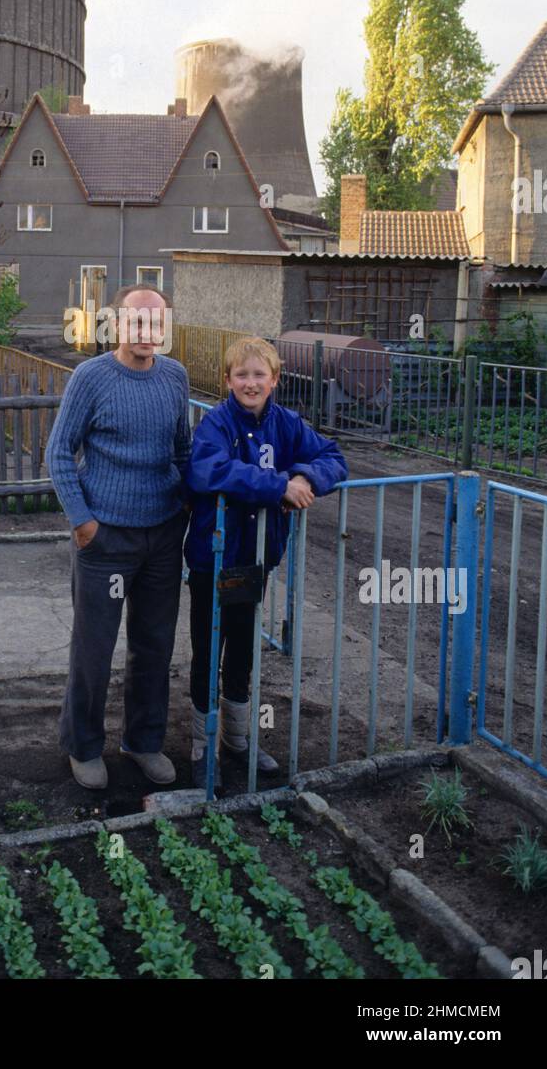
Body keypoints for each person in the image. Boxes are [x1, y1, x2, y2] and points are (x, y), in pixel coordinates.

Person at [183, 336, 348, 789]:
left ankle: (237, 740)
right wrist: (278, 486)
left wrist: (305, 476)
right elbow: (207, 471)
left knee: (243, 649)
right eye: (242, 375)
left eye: (260, 375)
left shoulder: (286, 423)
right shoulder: (215, 425)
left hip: (256, 561)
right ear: (228, 380)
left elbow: (333, 457)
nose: (251, 383)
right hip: (211, 560)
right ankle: (203, 744)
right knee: (206, 650)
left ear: (275, 380)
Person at [45, 285, 191, 790]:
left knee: (154, 645)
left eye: (156, 323)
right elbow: (59, 451)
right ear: (116, 324)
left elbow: (183, 453)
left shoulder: (175, 376)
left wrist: (190, 508)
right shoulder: (91, 377)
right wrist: (83, 521)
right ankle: (83, 746)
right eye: (136, 322)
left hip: (162, 537)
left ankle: (143, 741)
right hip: (105, 541)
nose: (146, 332)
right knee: (94, 647)